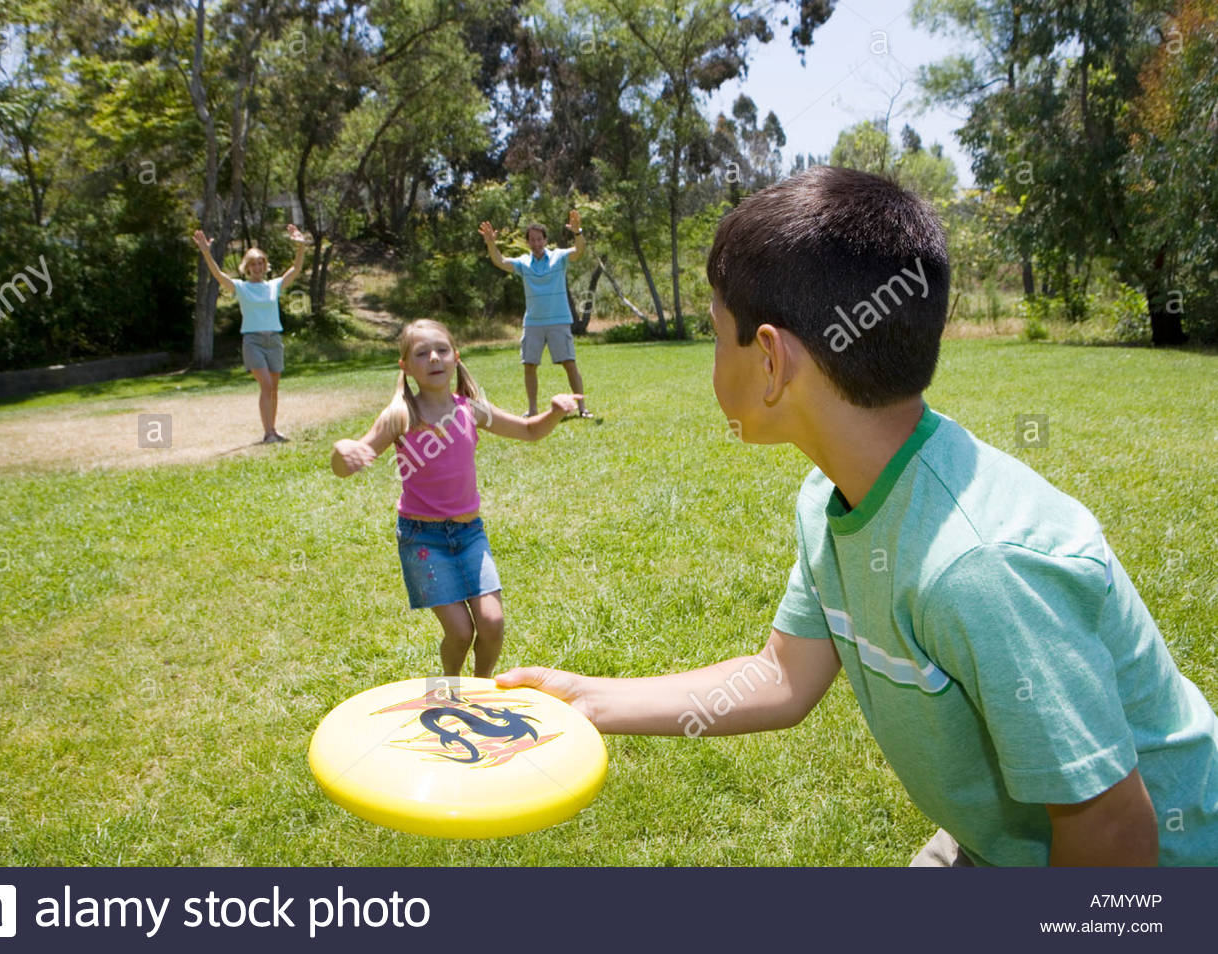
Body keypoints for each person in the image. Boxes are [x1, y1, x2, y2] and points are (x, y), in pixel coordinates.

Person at [496, 166, 1218, 866]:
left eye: (719, 335)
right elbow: (783, 676)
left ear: (771, 360)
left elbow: (1116, 832)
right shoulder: (832, 497)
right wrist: (584, 698)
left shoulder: (982, 566)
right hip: (1000, 848)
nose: (713, 355)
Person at [330, 319, 580, 678]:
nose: (434, 358)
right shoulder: (401, 415)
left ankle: (479, 691)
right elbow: (347, 465)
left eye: (442, 350)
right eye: (422, 353)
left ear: (456, 357)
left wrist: (555, 411)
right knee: (460, 632)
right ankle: (448, 689)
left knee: (492, 623)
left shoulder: (471, 409)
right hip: (423, 539)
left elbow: (528, 431)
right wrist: (344, 449)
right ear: (406, 367)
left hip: (469, 534)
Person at [193, 224, 307, 443]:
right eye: (253, 264)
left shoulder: (274, 285)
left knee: (274, 388)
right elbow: (218, 275)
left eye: (260, 263)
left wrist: (300, 247)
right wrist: (206, 252)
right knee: (265, 385)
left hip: (274, 339)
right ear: (247, 267)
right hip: (253, 341)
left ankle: (273, 429)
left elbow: (296, 269)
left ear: (265, 266)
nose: (257, 267)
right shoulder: (241, 287)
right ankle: (268, 433)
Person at [480, 212, 593, 419]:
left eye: (539, 239)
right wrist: (490, 243)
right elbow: (501, 261)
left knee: (569, 363)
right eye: (532, 239)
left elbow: (579, 251)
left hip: (558, 320)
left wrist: (578, 232)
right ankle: (532, 409)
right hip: (533, 323)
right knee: (529, 365)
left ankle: (582, 407)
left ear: (545, 240)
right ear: (528, 242)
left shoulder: (559, 257)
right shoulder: (524, 263)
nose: (536, 243)